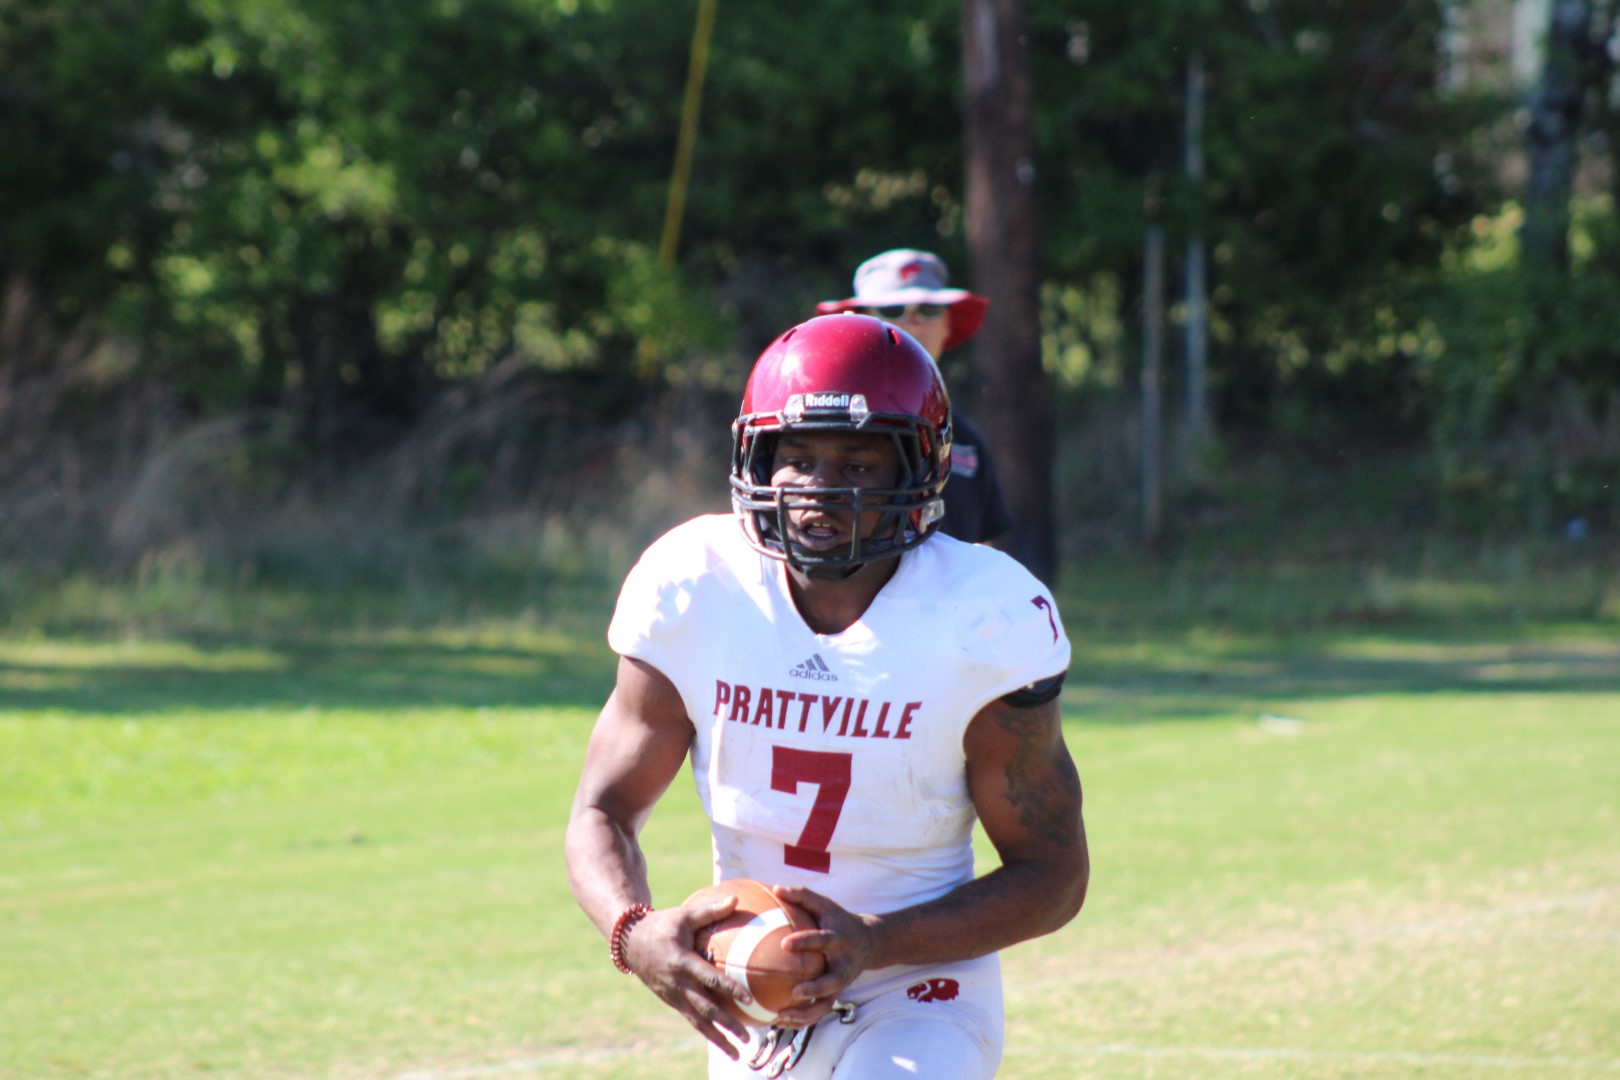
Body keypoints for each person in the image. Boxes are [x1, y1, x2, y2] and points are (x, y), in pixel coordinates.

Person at [565, 313, 1089, 1079]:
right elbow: (600, 812)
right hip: (754, 980)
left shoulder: (984, 616)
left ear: (921, 467)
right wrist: (633, 931)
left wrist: (874, 940)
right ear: (756, 459)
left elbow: (1053, 875)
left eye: (858, 464)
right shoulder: (694, 585)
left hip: (922, 982)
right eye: (799, 458)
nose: (820, 491)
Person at [815, 248, 1012, 547]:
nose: (913, 322)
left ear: (947, 325)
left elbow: (983, 552)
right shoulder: (819, 427)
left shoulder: (968, 443)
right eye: (893, 309)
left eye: (929, 310)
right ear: (861, 322)